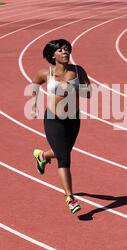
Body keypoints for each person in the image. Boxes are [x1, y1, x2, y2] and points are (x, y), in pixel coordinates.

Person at [30, 39, 92, 214]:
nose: (65, 52)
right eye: (61, 50)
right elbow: (34, 84)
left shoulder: (78, 71)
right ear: (52, 55)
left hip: (73, 118)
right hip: (53, 119)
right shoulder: (45, 73)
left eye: (67, 49)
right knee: (64, 158)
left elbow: (90, 93)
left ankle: (41, 155)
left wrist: (75, 89)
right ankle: (70, 198)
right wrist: (33, 105)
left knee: (61, 153)